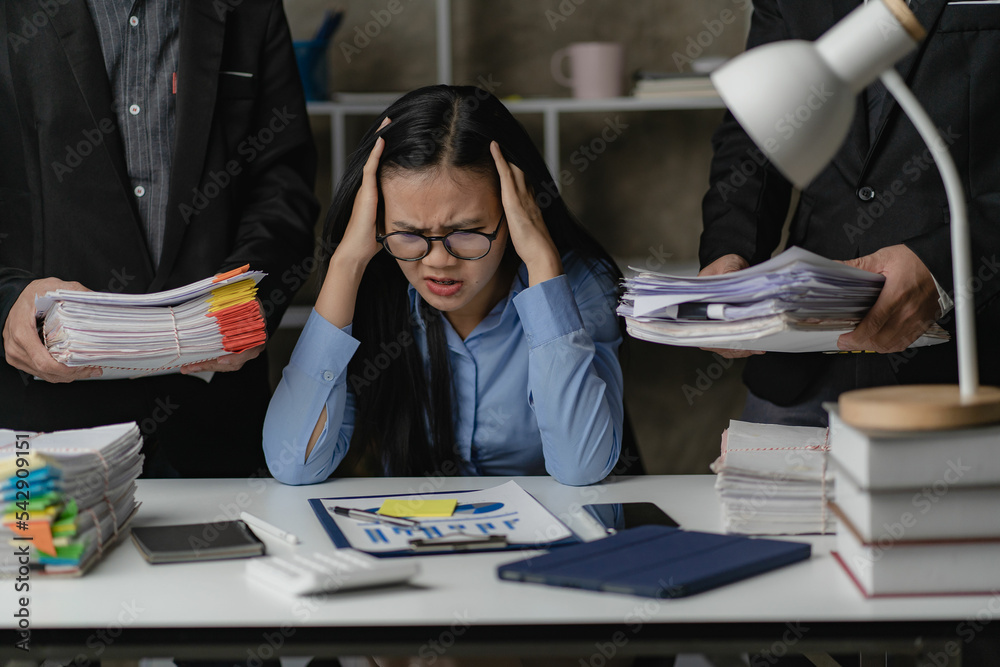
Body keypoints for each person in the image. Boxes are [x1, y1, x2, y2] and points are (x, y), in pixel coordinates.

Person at [0, 0, 318, 477]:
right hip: (51, 413)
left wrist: (249, 304)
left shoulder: (250, 10)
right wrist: (7, 299)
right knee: (48, 552)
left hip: (214, 411)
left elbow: (283, 184)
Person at [263, 85, 624, 487]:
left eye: (467, 231)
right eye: (409, 233)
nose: (438, 260)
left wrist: (541, 261)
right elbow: (293, 463)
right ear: (378, 222)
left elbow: (582, 467)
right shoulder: (369, 287)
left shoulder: (581, 285)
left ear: (515, 211)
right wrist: (347, 262)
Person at [699, 0, 1000, 427]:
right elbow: (755, 135)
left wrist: (944, 262)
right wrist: (730, 251)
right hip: (803, 359)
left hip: (972, 352)